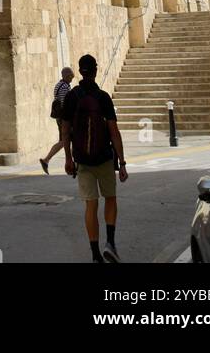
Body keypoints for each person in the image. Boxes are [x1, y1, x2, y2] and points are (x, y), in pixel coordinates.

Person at [61, 53, 127, 263]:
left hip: (82, 160)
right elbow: (114, 132)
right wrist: (122, 163)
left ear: (80, 71)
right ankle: (111, 242)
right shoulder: (103, 97)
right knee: (110, 198)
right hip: (104, 158)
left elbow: (65, 130)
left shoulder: (72, 97)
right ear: (96, 70)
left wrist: (68, 159)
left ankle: (95, 253)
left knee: (91, 204)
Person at [39, 66, 74, 174]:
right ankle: (72, 162)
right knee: (66, 140)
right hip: (64, 119)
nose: (72, 78)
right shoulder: (64, 87)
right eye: (71, 76)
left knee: (64, 140)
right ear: (67, 76)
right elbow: (65, 103)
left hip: (61, 118)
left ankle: (46, 160)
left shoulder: (59, 84)